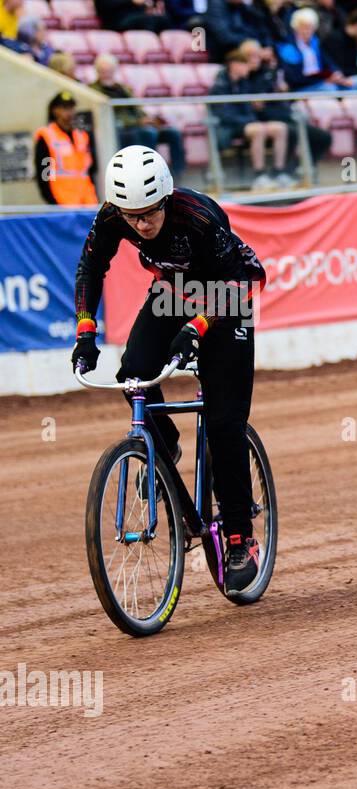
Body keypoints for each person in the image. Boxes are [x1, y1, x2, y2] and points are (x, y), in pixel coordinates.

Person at [69, 146, 267, 593]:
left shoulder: (199, 217)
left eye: (149, 214)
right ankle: (165, 449)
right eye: (131, 216)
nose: (141, 225)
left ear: (165, 199)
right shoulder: (112, 216)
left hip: (225, 302)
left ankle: (239, 537)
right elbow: (90, 267)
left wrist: (198, 327)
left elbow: (244, 282)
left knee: (223, 422)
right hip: (171, 295)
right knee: (132, 375)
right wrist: (85, 330)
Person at [91, 53, 188, 182]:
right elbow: (109, 118)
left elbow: (137, 109)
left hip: (138, 126)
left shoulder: (123, 88)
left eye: (109, 70)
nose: (106, 73)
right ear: (97, 71)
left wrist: (150, 119)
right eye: (103, 70)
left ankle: (178, 176)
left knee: (173, 133)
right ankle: (149, 176)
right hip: (120, 130)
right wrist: (138, 122)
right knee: (148, 133)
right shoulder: (93, 91)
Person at [209, 49, 293, 189]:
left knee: (280, 128)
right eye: (244, 64)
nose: (248, 67)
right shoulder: (219, 86)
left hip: (247, 123)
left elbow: (250, 110)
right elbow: (224, 115)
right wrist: (250, 121)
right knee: (259, 130)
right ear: (234, 65)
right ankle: (259, 176)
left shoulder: (244, 84)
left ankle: (279, 173)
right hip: (228, 127)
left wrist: (253, 120)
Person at [33, 92, 97, 206]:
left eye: (71, 108)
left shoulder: (82, 136)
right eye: (64, 108)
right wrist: (52, 201)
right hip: (63, 201)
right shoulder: (47, 136)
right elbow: (44, 174)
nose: (69, 112)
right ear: (55, 111)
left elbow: (89, 170)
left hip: (87, 201)